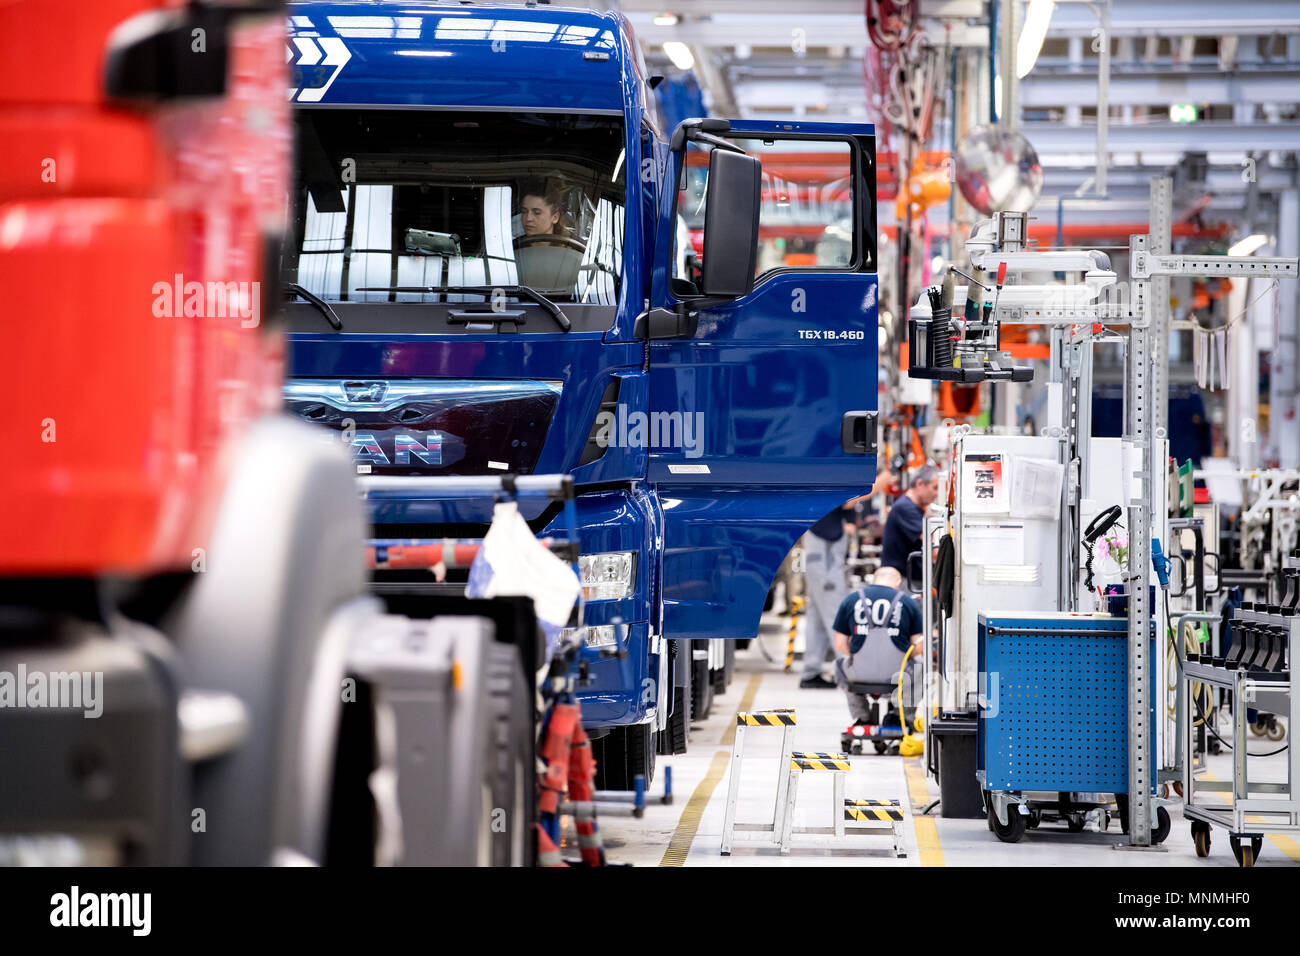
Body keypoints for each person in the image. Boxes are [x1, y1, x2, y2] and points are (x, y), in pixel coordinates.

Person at [831, 566, 923, 725]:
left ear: (873, 580)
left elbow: (839, 644)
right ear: (898, 582)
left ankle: (862, 716)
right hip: (899, 674)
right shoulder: (908, 602)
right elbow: (919, 647)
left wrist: (857, 657)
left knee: (838, 665)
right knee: (921, 666)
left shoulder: (851, 599)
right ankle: (901, 717)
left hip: (859, 674)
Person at [880, 464, 939, 577]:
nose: (936, 494)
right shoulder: (905, 508)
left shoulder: (913, 508)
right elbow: (932, 545)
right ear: (919, 484)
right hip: (902, 580)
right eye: (934, 487)